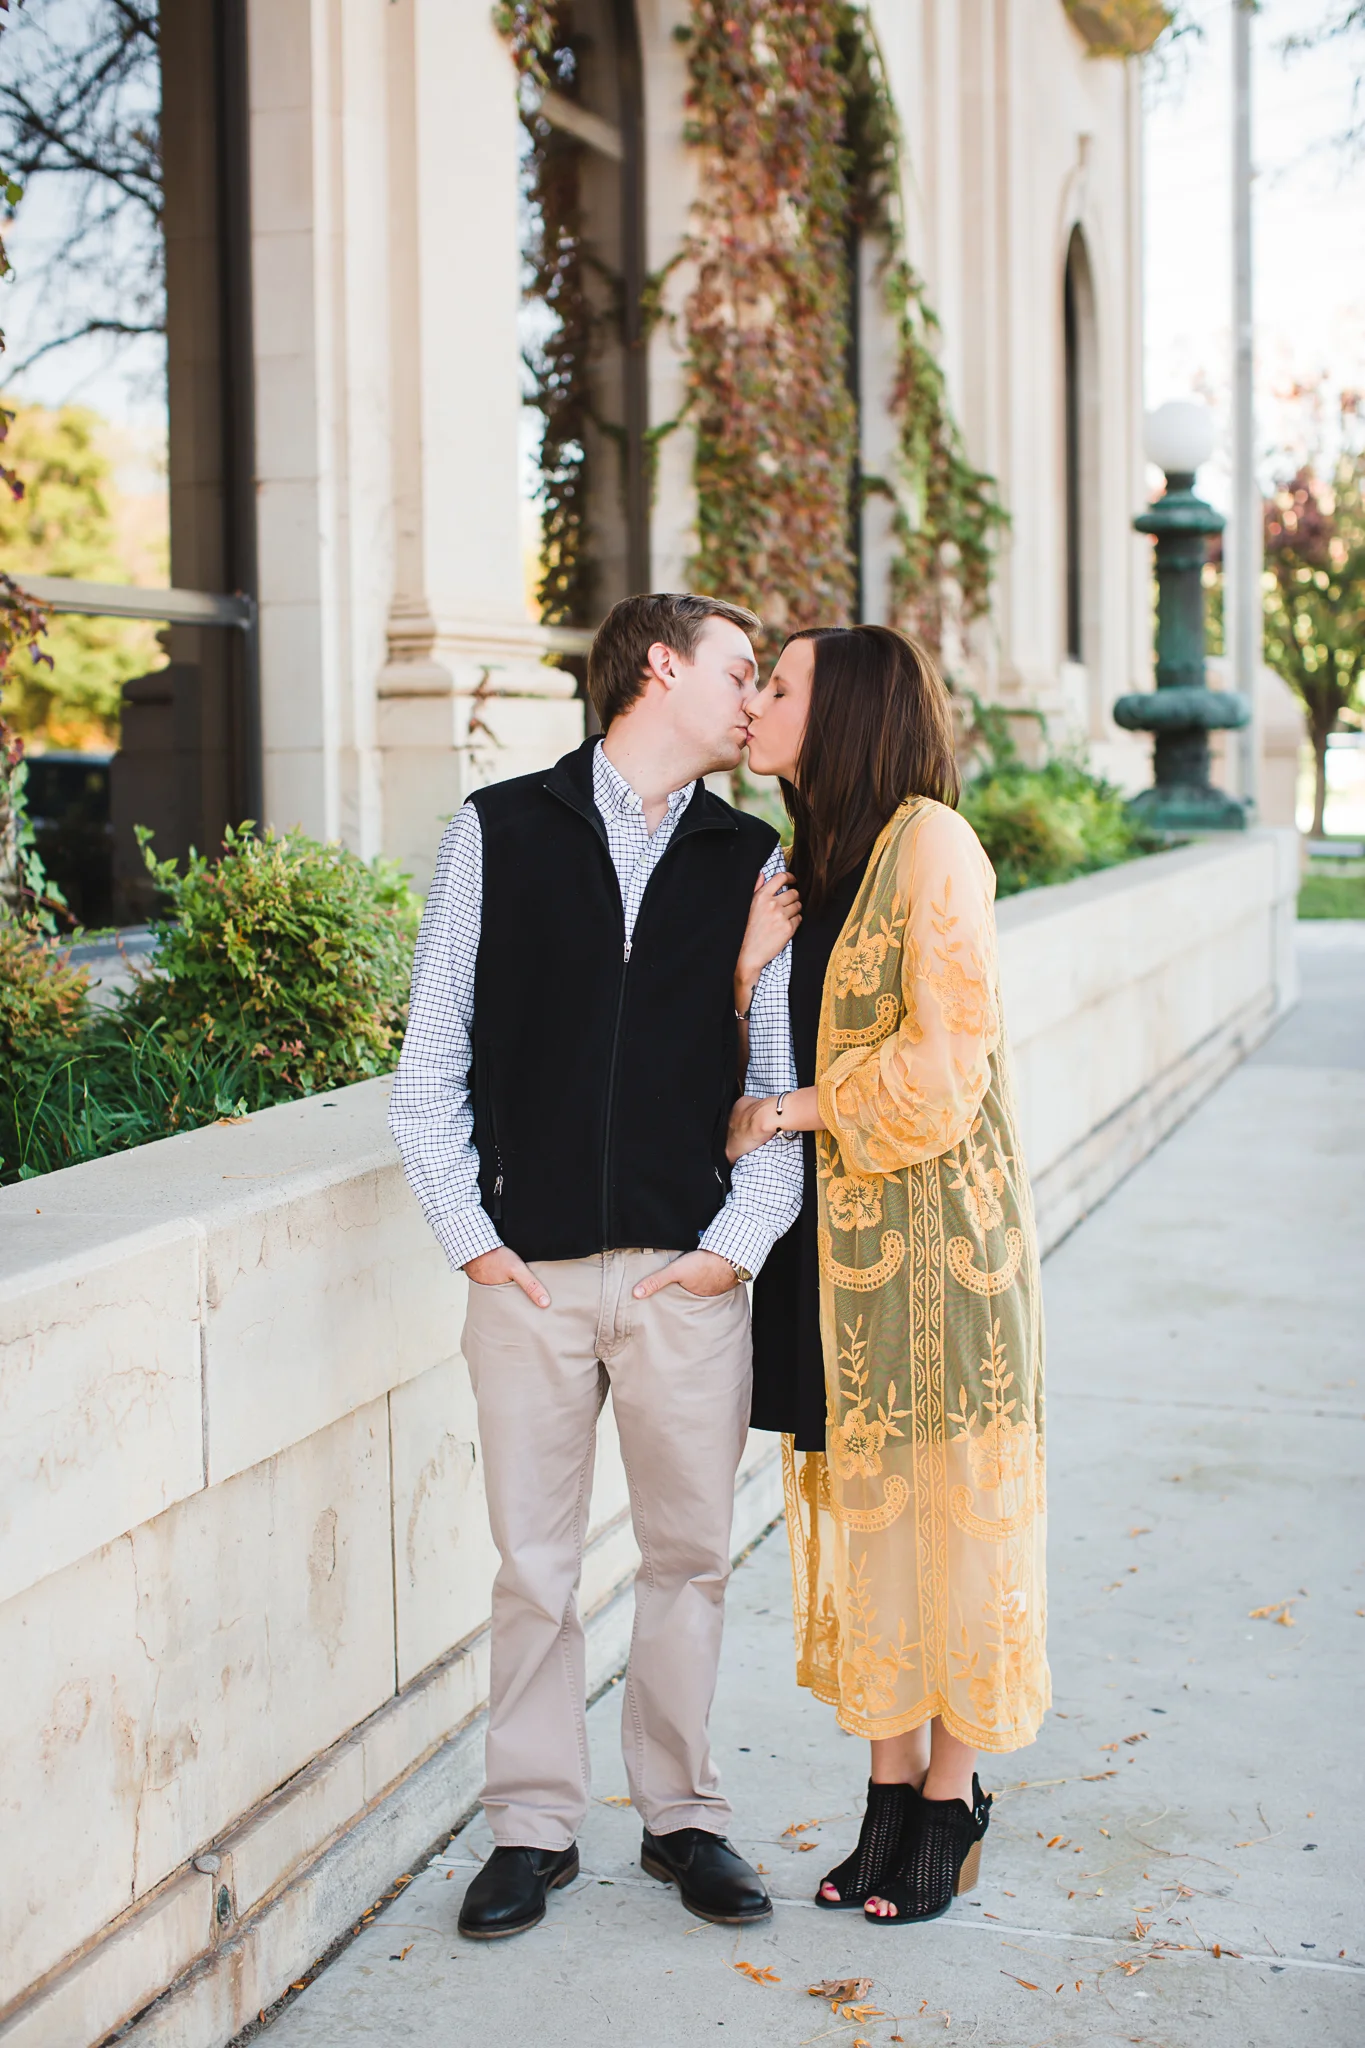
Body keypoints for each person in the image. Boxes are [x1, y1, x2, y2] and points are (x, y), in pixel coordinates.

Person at [389, 592, 804, 1941]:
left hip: (686, 1271)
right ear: (661, 667)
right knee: (535, 1568)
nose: (757, 699)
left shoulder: (754, 858)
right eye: (743, 671)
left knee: (691, 1558)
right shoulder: (499, 831)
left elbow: (776, 1085)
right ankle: (530, 1824)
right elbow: (428, 1070)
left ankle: (682, 1817)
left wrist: (729, 1253)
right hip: (532, 1281)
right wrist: (476, 1242)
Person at [730, 623, 1048, 1926]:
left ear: (846, 708)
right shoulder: (798, 867)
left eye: (781, 684)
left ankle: (949, 1799)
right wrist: (746, 964)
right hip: (833, 1256)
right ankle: (885, 1790)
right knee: (869, 1519)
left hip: (944, 1258)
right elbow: (739, 1062)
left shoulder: (933, 847)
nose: (756, 700)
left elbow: (947, 1066)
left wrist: (801, 1109)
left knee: (950, 1517)